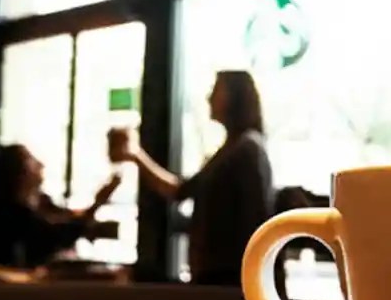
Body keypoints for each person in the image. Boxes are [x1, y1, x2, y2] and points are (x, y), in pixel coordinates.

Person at [112, 71, 274, 286]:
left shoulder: (244, 150)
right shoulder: (238, 149)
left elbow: (181, 192)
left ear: (234, 97)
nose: (209, 98)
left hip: (228, 278)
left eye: (216, 90)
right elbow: (181, 191)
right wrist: (136, 156)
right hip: (225, 276)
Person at [0, 144, 121, 268]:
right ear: (16, 173)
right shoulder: (0, 211)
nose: (41, 164)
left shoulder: (40, 201)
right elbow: (56, 235)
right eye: (30, 160)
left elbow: (66, 218)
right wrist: (98, 203)